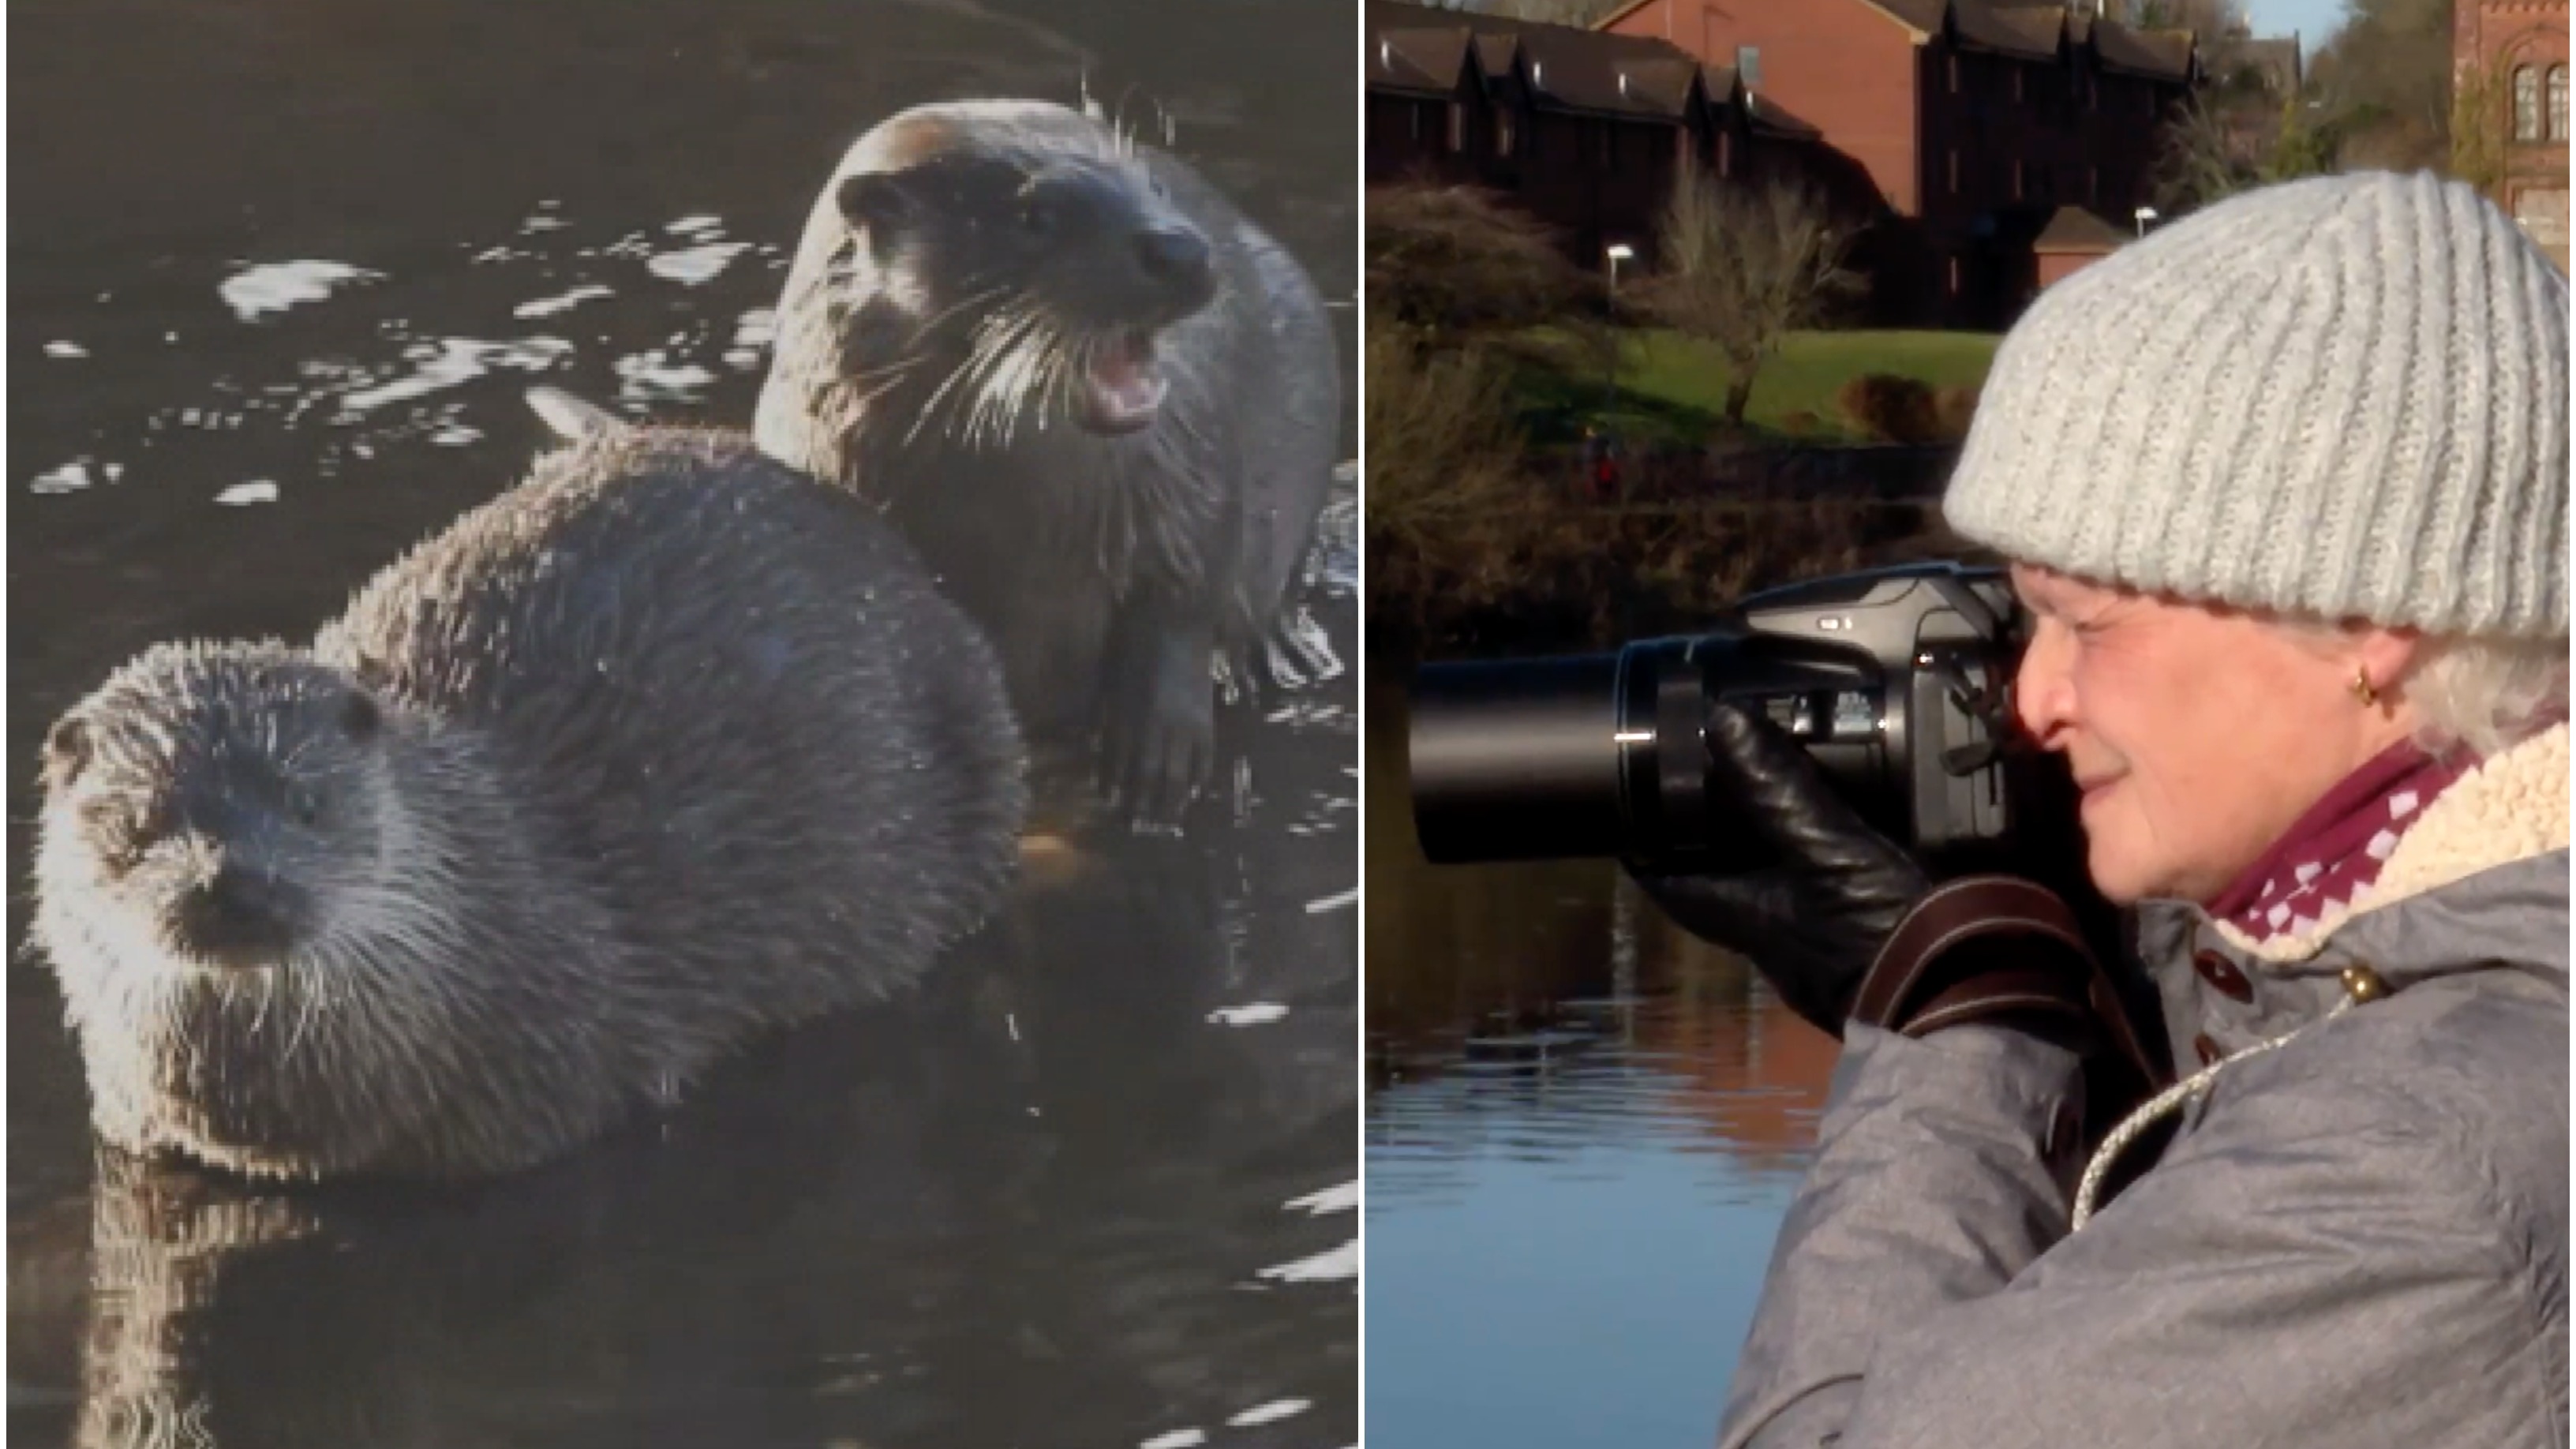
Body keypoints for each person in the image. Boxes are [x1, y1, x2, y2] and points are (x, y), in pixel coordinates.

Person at [1637, 170, 2569, 1447]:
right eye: (2024, 617)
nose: (2031, 697)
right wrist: (2100, 996)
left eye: (2087, 621)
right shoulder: (2446, 1005)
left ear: (2370, 620)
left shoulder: (2414, 1179)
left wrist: (1966, 1019)